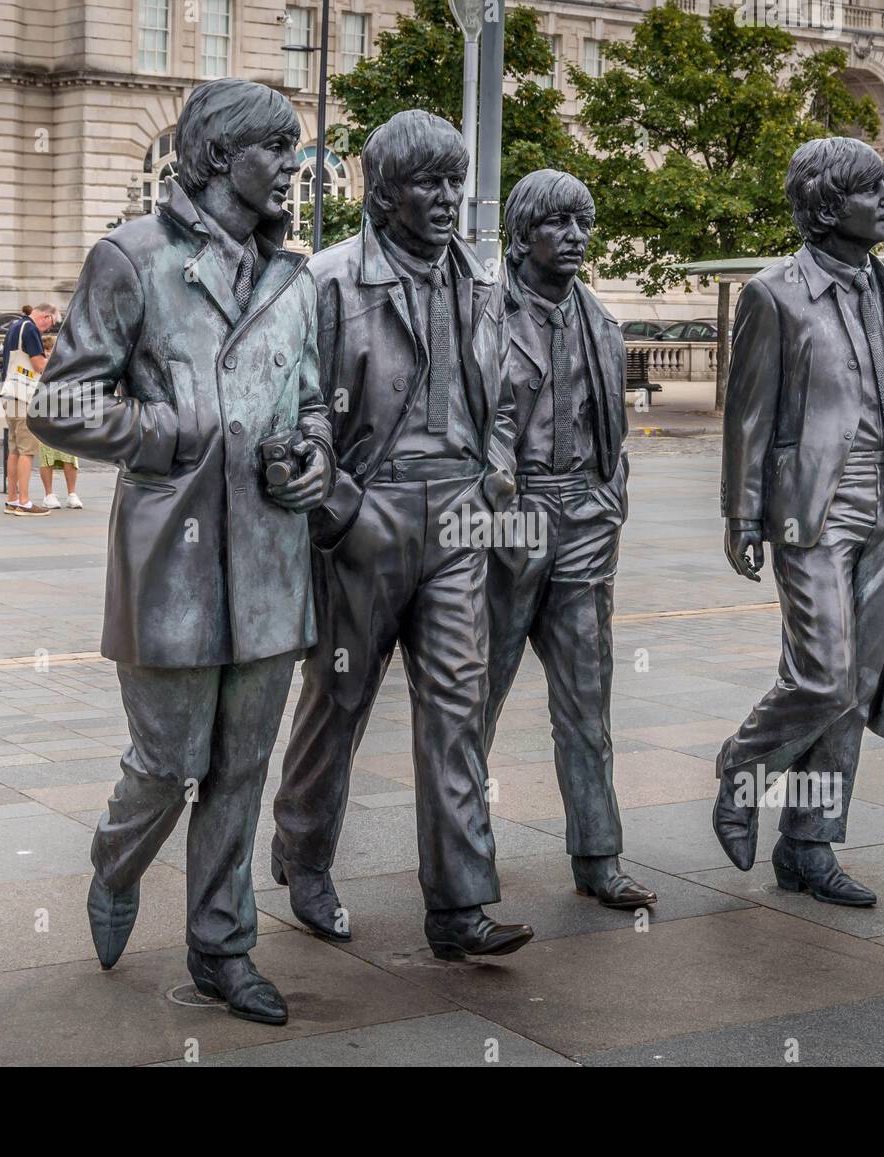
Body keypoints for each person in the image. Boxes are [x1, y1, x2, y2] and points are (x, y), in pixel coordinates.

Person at [28, 78, 332, 1025]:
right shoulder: (133, 258)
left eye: (295, 149)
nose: (294, 165)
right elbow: (59, 404)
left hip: (274, 564)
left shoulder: (295, 277)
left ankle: (222, 947)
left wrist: (313, 457)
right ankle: (117, 860)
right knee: (166, 765)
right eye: (276, 150)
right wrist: (169, 428)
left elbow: (314, 402)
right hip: (175, 563)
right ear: (215, 158)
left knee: (242, 771)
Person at [271, 109, 534, 961]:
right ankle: (303, 854)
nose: (449, 197)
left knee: (457, 711)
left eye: (455, 180)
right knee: (338, 702)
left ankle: (459, 905)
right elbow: (293, 411)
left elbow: (502, 402)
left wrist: (494, 473)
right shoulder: (329, 281)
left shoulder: (483, 283)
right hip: (367, 514)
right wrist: (340, 507)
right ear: (383, 194)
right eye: (429, 182)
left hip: (459, 515)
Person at [714, 137, 884, 907]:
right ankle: (743, 766)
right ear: (829, 207)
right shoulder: (775, 295)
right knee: (821, 673)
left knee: (855, 687)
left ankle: (809, 843)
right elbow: (748, 415)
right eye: (872, 190)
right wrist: (742, 512)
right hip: (814, 506)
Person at [484, 169, 656, 911]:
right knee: (473, 703)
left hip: (584, 518)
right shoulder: (481, 315)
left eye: (584, 223)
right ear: (523, 235)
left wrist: (610, 496)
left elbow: (609, 431)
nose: (577, 237)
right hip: (507, 521)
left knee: (587, 703)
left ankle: (598, 854)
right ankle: (461, 860)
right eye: (559, 224)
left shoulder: (602, 321)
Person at [0, 303, 58, 516]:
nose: (48, 330)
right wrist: (55, 360)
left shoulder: (15, 326)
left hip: (8, 393)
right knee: (27, 450)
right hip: (24, 396)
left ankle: (12, 499)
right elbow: (39, 365)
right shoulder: (31, 329)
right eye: (51, 324)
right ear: (46, 317)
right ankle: (24, 501)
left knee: (14, 450)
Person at [37, 331, 83, 509]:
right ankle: (49, 494)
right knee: (47, 455)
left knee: (69, 455)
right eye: (46, 350)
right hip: (45, 412)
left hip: (65, 411)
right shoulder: (39, 365)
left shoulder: (67, 364)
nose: (49, 353)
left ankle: (72, 493)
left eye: (51, 349)